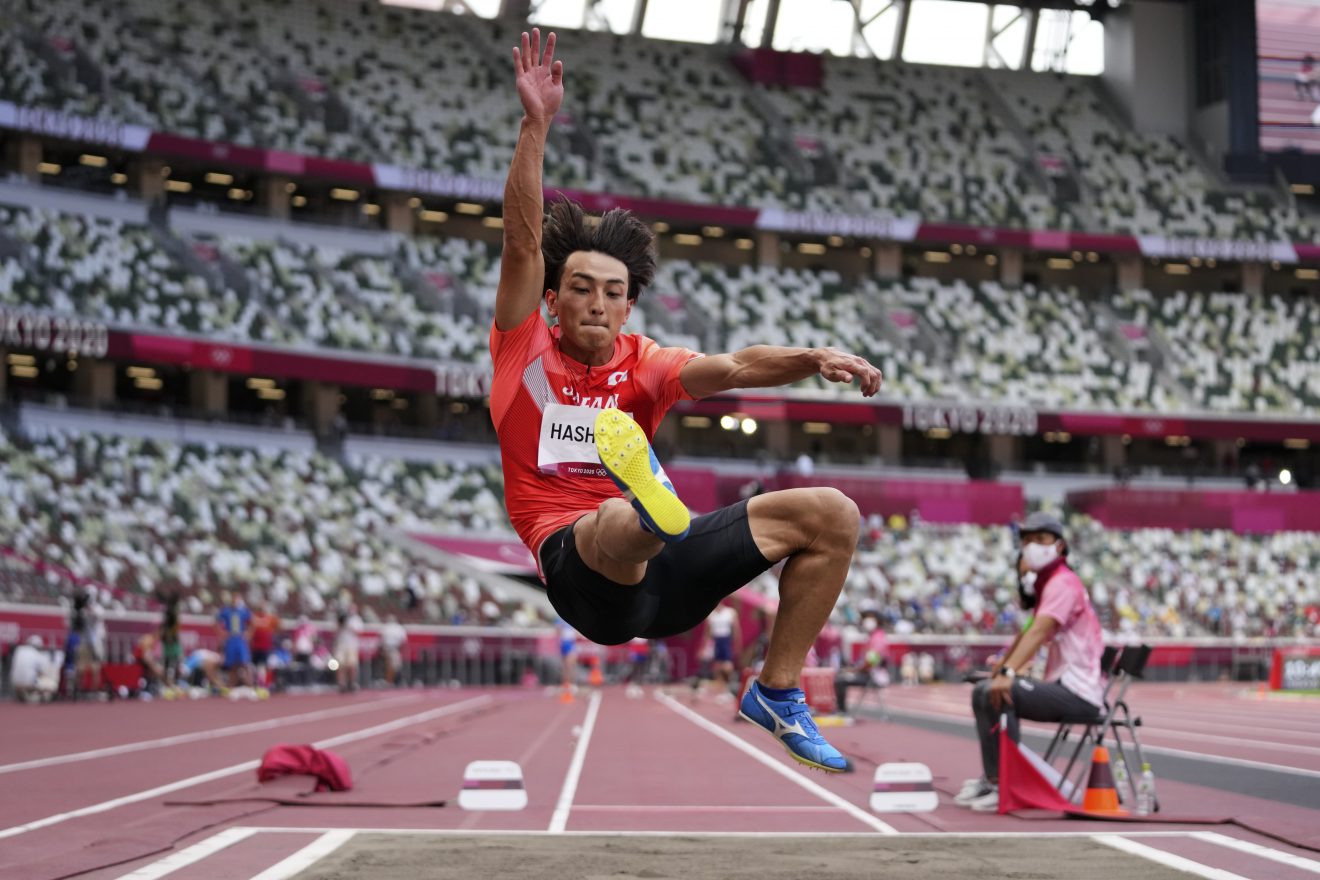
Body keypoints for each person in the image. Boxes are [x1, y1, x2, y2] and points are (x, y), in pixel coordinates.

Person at [491, 29, 882, 772]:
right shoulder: (521, 347)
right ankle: (646, 503)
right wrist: (535, 126)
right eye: (580, 289)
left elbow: (733, 366)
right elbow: (518, 243)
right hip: (584, 576)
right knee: (611, 518)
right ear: (550, 300)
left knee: (833, 514)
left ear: (629, 309)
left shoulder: (648, 364)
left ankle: (777, 692)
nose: (598, 304)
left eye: (614, 293)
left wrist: (812, 358)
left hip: (670, 582)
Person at [957, 512, 1105, 811]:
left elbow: (1040, 630)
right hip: (1064, 686)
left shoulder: (1064, 583)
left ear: (1060, 546)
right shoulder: (1049, 587)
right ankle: (994, 779)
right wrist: (1001, 667)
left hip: (1080, 694)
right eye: (1026, 541)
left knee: (997, 693)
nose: (1032, 546)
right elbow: (1027, 633)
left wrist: (1008, 672)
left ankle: (1009, 785)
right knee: (983, 689)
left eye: (1041, 539)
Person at [215, 592, 252, 688]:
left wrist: (248, 633)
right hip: (231, 640)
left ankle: (251, 685)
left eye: (237, 599)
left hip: (240, 639)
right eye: (233, 599)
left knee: (245, 663)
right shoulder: (226, 611)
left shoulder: (243, 611)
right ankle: (230, 686)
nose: (235, 601)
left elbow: (252, 622)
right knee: (232, 665)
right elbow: (216, 622)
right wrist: (222, 633)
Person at [705, 602, 741, 699]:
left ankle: (730, 687)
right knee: (717, 665)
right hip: (716, 640)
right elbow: (707, 632)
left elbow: (736, 629)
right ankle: (721, 688)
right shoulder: (711, 614)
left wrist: (736, 644)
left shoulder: (730, 612)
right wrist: (706, 646)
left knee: (727, 665)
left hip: (725, 640)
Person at [10, 636, 57, 702]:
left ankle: (22, 695)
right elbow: (42, 673)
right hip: (29, 684)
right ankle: (42, 697)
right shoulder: (37, 654)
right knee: (52, 684)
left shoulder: (18, 650)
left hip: (14, 683)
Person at [249, 601, 280, 689]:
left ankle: (262, 685)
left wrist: (272, 634)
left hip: (265, 647)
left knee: (262, 666)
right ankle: (254, 683)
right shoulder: (254, 617)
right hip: (255, 646)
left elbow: (278, 626)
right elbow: (250, 629)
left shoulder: (270, 618)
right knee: (253, 666)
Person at [334, 603, 363, 693]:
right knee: (339, 665)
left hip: (351, 645)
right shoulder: (341, 618)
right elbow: (335, 631)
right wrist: (341, 623)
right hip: (341, 644)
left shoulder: (357, 619)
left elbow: (358, 632)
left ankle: (352, 683)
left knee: (352, 665)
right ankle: (341, 684)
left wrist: (349, 625)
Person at [380, 614, 407, 686]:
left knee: (392, 666)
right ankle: (390, 681)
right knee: (392, 666)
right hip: (393, 648)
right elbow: (403, 641)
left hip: (389, 648)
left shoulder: (386, 628)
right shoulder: (398, 628)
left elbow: (381, 640)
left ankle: (391, 681)